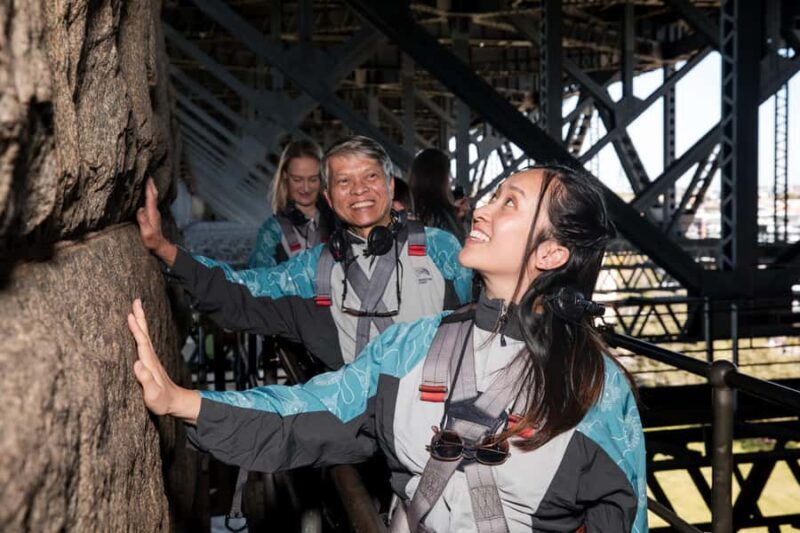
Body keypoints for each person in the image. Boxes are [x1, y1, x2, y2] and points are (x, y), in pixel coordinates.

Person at [129, 165, 647, 532]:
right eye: (494, 195)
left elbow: (619, 517)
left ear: (553, 252)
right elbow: (310, 408)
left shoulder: (595, 389)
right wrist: (183, 402)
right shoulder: (413, 344)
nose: (482, 210)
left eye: (509, 202)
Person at [137, 136, 473, 369]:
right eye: (344, 182)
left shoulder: (440, 249)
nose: (358, 190)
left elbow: (473, 329)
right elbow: (244, 286)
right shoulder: (312, 267)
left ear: (390, 184)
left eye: (370, 176)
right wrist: (165, 249)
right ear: (329, 198)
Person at [249, 139, 333, 268]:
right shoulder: (272, 231)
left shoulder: (338, 224)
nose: (305, 188)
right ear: (285, 176)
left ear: (323, 178)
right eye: (297, 179)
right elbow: (259, 278)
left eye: (313, 179)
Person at [408, 148, 466, 242]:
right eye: (448, 176)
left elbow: (416, 251)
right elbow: (455, 248)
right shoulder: (443, 217)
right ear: (441, 179)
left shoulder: (409, 213)